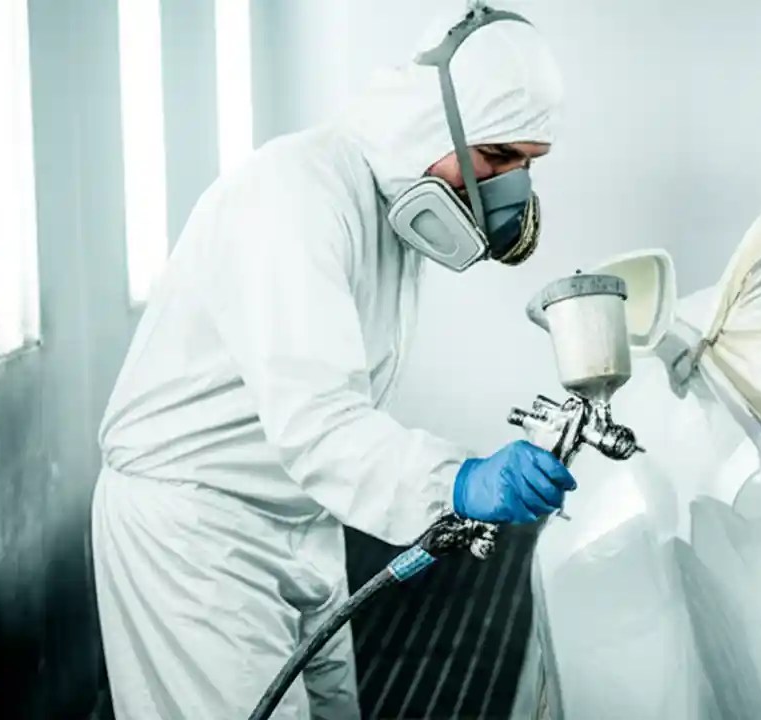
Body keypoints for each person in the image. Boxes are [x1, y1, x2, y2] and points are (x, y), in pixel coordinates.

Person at [91, 6, 572, 718]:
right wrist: (459, 479)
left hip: (298, 515)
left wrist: (456, 479)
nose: (511, 190)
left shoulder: (385, 212)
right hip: (198, 532)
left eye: (528, 165)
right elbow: (318, 422)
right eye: (499, 158)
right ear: (434, 125)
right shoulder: (296, 194)